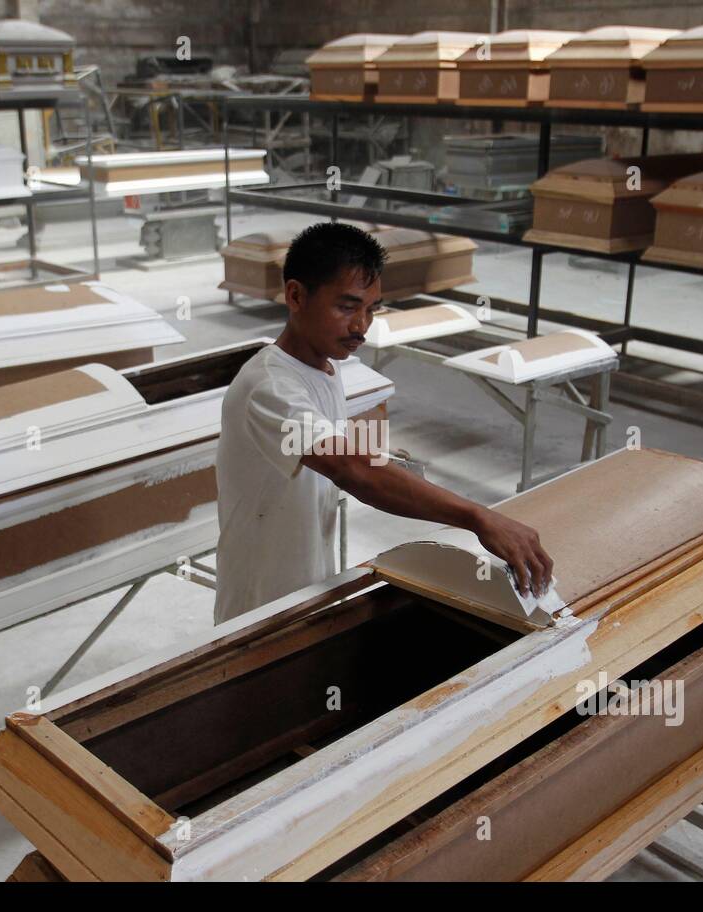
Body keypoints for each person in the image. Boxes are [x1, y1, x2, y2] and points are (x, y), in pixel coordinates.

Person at [213, 222, 554, 624]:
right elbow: (351, 469)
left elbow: (341, 455)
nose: (361, 325)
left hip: (301, 590)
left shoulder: (323, 367)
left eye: (371, 308)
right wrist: (478, 517)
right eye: (347, 306)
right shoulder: (269, 387)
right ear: (295, 295)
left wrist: (382, 460)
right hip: (258, 607)